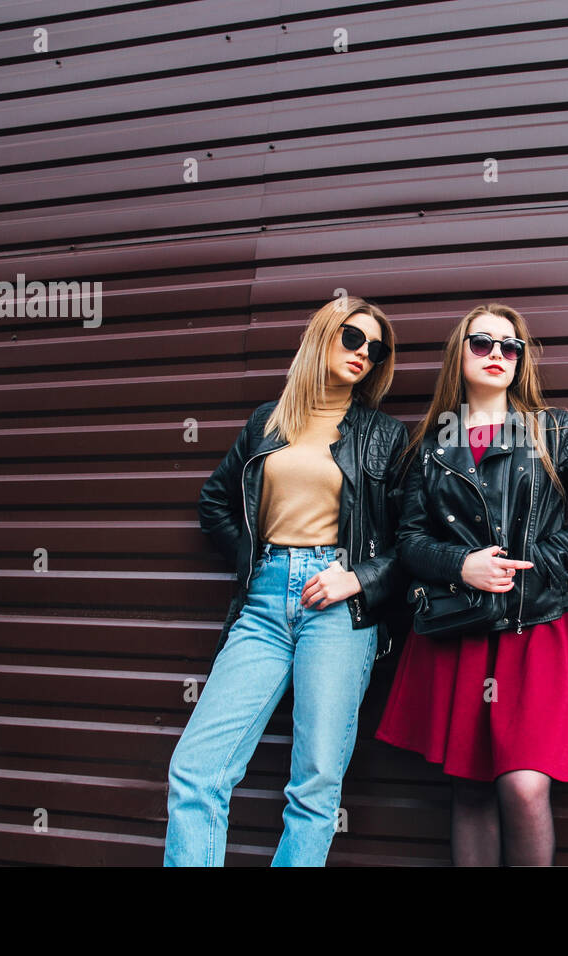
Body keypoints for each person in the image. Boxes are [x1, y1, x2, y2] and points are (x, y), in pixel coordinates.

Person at [164, 296, 409, 866]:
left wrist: (358, 577)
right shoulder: (267, 422)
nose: (364, 355)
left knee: (315, 781)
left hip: (339, 609)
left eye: (375, 350)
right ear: (321, 337)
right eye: (352, 338)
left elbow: (411, 543)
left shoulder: (384, 435)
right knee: (197, 771)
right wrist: (257, 564)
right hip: (264, 601)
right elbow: (215, 505)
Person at [375, 302, 568, 866]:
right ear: (458, 354)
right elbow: (409, 541)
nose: (497, 355)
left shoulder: (552, 428)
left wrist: (539, 558)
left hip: (535, 628)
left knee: (525, 786)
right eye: (482, 343)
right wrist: (461, 564)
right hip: (460, 629)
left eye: (509, 346)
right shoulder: (429, 445)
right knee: (472, 785)